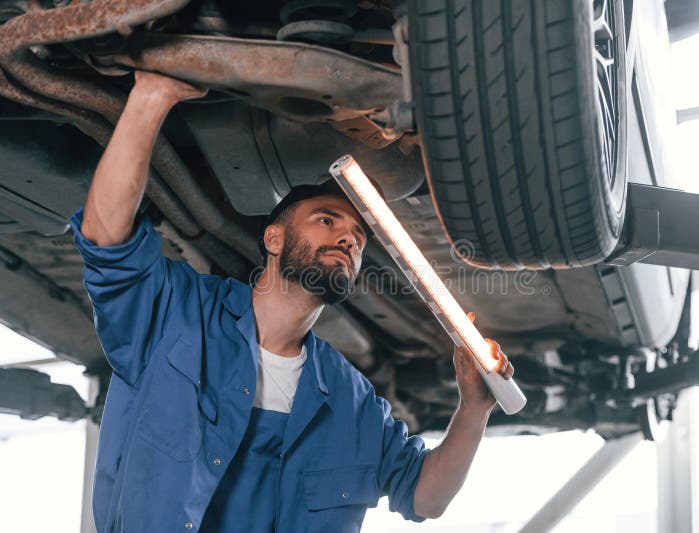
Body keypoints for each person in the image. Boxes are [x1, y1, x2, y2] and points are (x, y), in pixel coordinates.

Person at [72, 71, 514, 533]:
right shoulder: (178, 317)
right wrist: (151, 94)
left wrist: (473, 409)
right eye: (327, 220)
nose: (348, 237)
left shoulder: (351, 401)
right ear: (274, 238)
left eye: (358, 237)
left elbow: (426, 494)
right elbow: (107, 240)